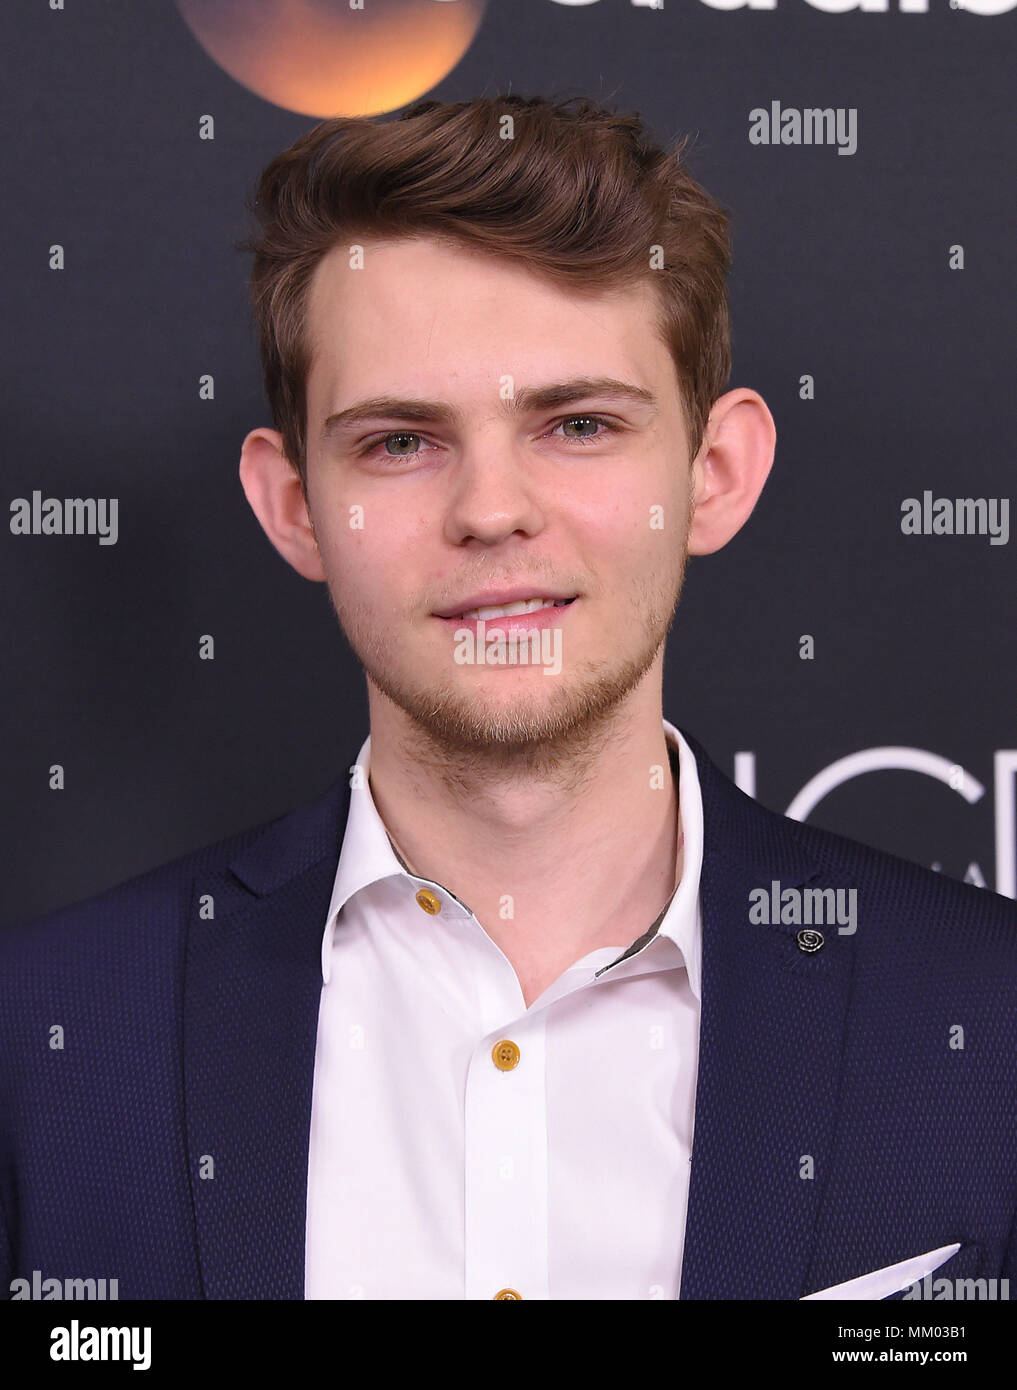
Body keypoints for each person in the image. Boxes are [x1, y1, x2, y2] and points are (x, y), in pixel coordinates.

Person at [2, 94, 1015, 1302]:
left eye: (578, 424)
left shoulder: (988, 1025)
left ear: (716, 474)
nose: (492, 509)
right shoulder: (50, 1039)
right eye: (399, 441)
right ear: (291, 506)